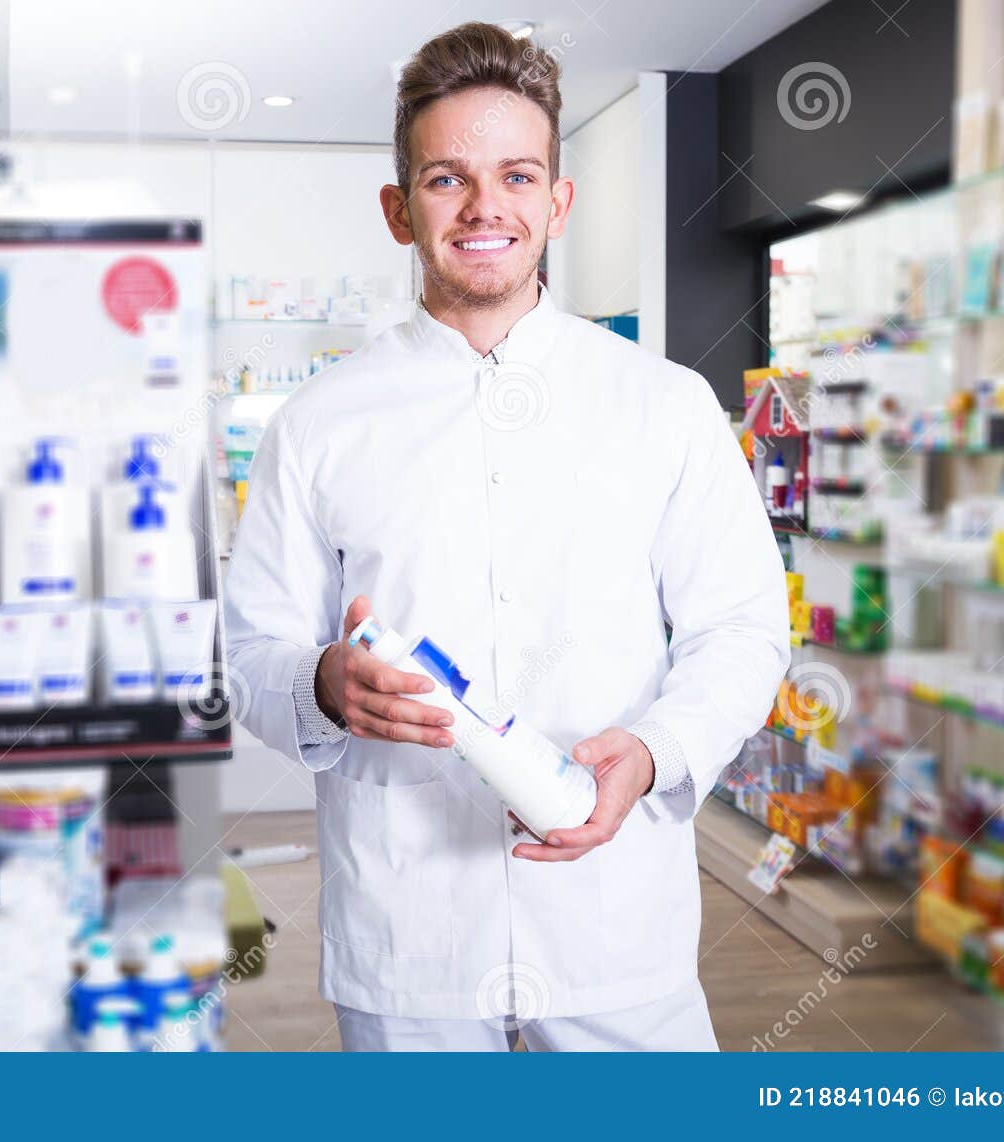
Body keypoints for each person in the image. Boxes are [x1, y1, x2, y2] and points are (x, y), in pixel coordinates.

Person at [224, 22, 789, 1052]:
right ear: (399, 211)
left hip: (618, 937)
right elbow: (252, 654)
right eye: (446, 179)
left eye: (517, 174)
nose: (486, 207)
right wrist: (321, 682)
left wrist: (657, 753)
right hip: (410, 947)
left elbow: (744, 630)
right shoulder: (317, 424)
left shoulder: (663, 406)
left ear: (556, 202)